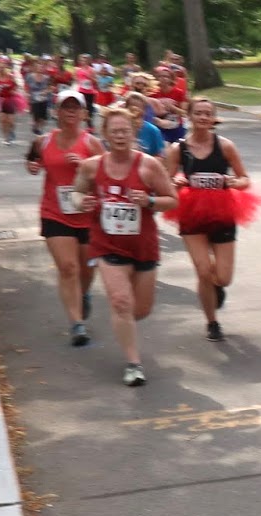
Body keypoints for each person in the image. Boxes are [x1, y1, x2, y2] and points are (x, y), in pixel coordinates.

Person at [72, 104, 178, 386]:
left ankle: (125, 323)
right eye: (114, 131)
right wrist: (82, 201)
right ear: (105, 133)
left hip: (143, 244)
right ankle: (133, 363)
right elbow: (75, 193)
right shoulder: (91, 166)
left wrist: (150, 201)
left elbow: (172, 199)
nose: (120, 135)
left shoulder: (148, 165)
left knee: (140, 309)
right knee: (121, 302)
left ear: (134, 132)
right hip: (107, 243)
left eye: (126, 131)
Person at [162, 97, 261, 341]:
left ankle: (217, 288)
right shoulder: (179, 149)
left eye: (208, 113)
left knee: (223, 277)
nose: (204, 117)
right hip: (191, 211)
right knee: (203, 270)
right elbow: (164, 182)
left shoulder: (225, 146)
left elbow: (244, 178)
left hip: (222, 210)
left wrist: (233, 182)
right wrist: (175, 181)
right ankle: (212, 322)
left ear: (213, 118)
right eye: (199, 113)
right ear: (190, 116)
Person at [25, 88, 102, 346]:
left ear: (83, 113)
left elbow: (108, 175)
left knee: (86, 270)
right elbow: (32, 161)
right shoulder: (44, 141)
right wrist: (33, 166)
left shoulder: (91, 144)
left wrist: (84, 165)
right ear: (56, 112)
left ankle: (85, 293)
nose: (70, 111)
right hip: (54, 213)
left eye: (75, 107)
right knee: (68, 268)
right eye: (65, 107)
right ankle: (77, 324)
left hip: (88, 214)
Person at [122, 91, 165, 156]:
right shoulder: (119, 129)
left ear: (145, 110)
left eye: (139, 107)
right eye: (131, 107)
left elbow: (160, 156)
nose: (135, 111)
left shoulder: (153, 131)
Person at [25, 57, 51, 136]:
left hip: (44, 99)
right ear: (35, 68)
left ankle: (40, 129)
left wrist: (46, 91)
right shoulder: (30, 76)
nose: (40, 68)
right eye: (39, 67)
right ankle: (35, 126)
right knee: (36, 115)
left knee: (42, 116)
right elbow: (26, 86)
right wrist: (27, 94)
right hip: (34, 99)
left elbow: (50, 88)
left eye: (42, 67)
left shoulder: (46, 78)